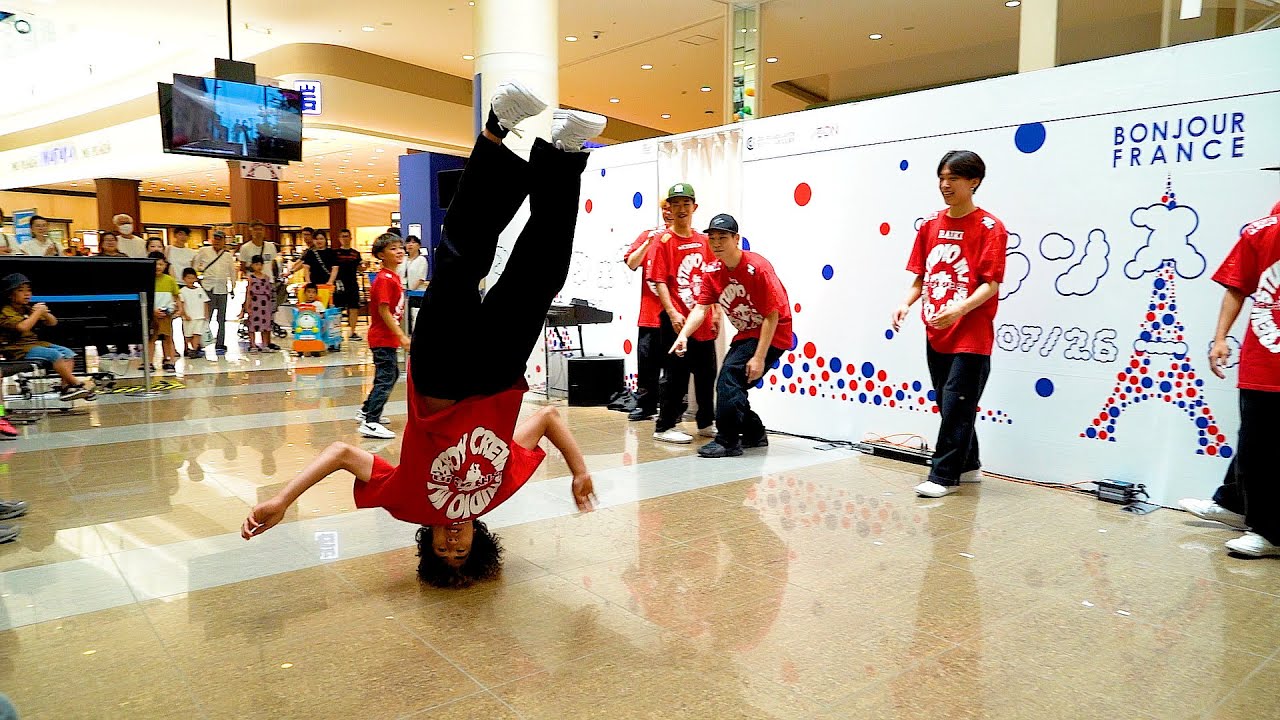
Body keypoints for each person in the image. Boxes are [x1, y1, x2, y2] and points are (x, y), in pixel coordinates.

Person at [242, 82, 606, 588]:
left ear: (427, 540)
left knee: (461, 263)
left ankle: (497, 129)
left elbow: (343, 455)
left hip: (440, 376)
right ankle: (563, 156)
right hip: (497, 376)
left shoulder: (407, 502)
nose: (452, 542)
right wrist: (579, 469)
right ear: (479, 540)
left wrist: (283, 499)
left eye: (442, 550)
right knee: (540, 277)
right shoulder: (498, 492)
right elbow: (546, 419)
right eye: (462, 551)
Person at [891, 150, 1008, 499]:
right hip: (936, 330)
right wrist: (905, 303)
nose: (945, 185)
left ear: (974, 182)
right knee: (949, 402)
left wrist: (960, 310)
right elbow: (921, 276)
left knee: (957, 403)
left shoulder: (990, 228)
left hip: (971, 333)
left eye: (953, 178)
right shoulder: (930, 224)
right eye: (942, 178)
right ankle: (969, 465)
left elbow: (991, 284)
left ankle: (943, 476)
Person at [1179, 199, 1280, 558]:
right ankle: (1239, 507)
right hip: (1264, 358)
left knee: (1263, 446)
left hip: (1264, 355)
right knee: (1255, 443)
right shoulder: (1262, 230)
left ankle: (1268, 530)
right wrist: (1220, 338)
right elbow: (1237, 286)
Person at [671, 214, 793, 458]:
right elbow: (700, 309)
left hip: (773, 332)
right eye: (712, 238)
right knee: (732, 385)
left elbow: (772, 315)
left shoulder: (757, 268)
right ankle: (754, 433)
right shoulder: (713, 271)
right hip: (747, 332)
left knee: (729, 380)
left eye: (722, 238)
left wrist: (759, 357)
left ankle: (728, 442)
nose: (716, 243)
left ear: (736, 239)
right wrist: (683, 335)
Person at [646, 183, 719, 444]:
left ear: (694, 207)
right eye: (675, 204)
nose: (681, 209)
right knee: (675, 376)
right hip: (676, 321)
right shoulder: (663, 241)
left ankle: (706, 422)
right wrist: (672, 312)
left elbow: (712, 278)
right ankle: (665, 426)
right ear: (669, 208)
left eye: (685, 204)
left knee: (707, 373)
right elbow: (659, 280)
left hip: (702, 318)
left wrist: (716, 312)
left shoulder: (703, 240)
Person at [0, 273, 94, 400]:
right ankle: (76, 384)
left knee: (68, 353)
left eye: (28, 290)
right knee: (54, 355)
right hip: (16, 349)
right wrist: (37, 313)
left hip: (33, 345)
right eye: (21, 290)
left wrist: (44, 312)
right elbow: (23, 327)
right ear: (10, 294)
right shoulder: (5, 311)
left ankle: (65, 387)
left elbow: (52, 322)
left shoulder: (26, 308)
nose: (27, 294)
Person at [356, 233, 410, 439]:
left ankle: (366, 411)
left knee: (390, 374)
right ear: (381, 255)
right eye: (393, 248)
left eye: (400, 247)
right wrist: (401, 335)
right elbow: (383, 310)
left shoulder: (393, 277)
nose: (399, 251)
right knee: (386, 378)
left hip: (387, 338)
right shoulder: (384, 279)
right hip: (382, 338)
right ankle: (371, 421)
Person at [623, 199, 672, 421]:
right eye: (665, 209)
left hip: (676, 315)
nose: (669, 213)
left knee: (673, 367)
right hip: (650, 315)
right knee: (647, 364)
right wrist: (649, 242)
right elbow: (632, 263)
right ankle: (646, 406)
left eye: (672, 208)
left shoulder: (688, 239)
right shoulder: (649, 235)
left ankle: (672, 409)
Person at [193, 229, 236, 354]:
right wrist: (197, 281)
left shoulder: (227, 255)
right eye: (215, 239)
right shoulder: (204, 251)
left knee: (221, 319)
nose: (217, 241)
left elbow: (232, 272)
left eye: (220, 239)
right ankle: (201, 343)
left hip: (222, 289)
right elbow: (195, 266)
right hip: (208, 288)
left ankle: (220, 344)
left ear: (224, 241)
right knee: (206, 318)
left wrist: (233, 287)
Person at [149, 251, 184, 372]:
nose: (158, 267)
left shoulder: (169, 280)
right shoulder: (146, 280)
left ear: (165, 265)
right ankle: (149, 362)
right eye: (155, 264)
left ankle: (169, 359)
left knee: (167, 337)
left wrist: (180, 308)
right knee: (150, 338)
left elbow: (176, 295)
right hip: (151, 314)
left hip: (166, 314)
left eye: (160, 264)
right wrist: (152, 311)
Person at [239, 254, 277, 352]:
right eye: (256, 264)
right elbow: (248, 293)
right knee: (253, 324)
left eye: (260, 264)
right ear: (252, 265)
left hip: (265, 304)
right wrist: (247, 306)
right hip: (255, 303)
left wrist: (271, 306)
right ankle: (253, 345)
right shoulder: (251, 278)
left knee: (265, 325)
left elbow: (270, 293)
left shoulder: (267, 278)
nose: (259, 267)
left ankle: (265, 345)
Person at [333, 228, 363, 339]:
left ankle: (352, 332)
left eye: (347, 236)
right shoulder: (335, 253)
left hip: (352, 284)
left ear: (351, 238)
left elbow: (360, 268)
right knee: (338, 309)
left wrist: (363, 267)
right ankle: (337, 332)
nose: (345, 239)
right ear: (339, 238)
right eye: (343, 236)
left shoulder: (355, 254)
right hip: (338, 284)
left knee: (354, 308)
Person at [179, 268, 210, 359]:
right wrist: (184, 315)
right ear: (184, 278)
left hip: (199, 317)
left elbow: (205, 302)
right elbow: (181, 304)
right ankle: (188, 348)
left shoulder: (200, 290)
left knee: (197, 334)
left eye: (193, 278)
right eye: (188, 278)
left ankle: (194, 350)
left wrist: (206, 314)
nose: (191, 280)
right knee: (188, 336)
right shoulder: (182, 291)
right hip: (188, 318)